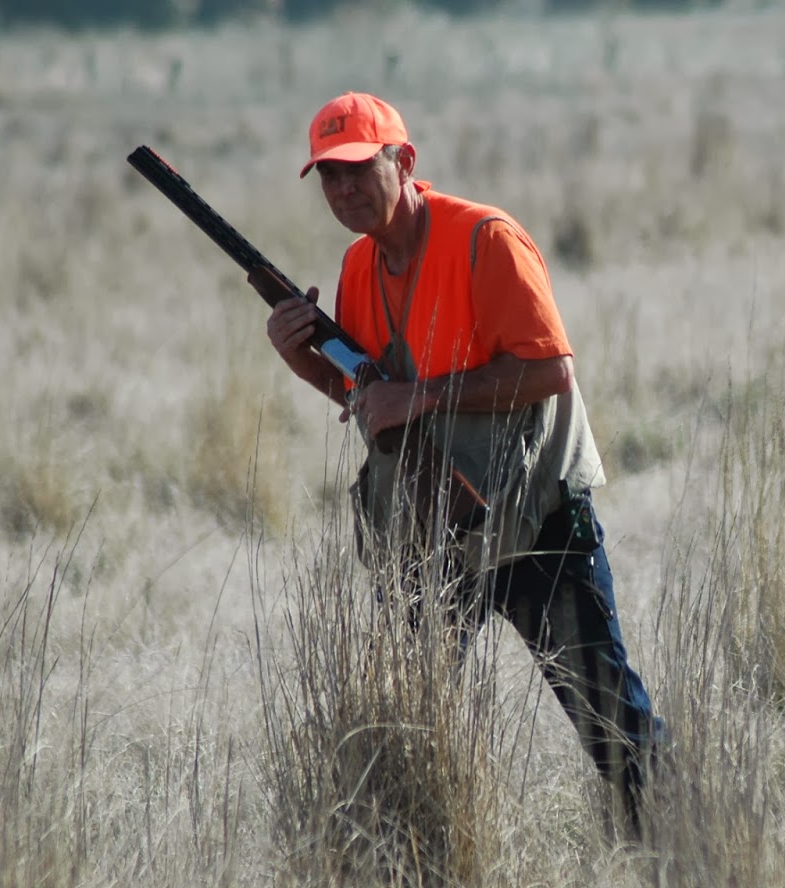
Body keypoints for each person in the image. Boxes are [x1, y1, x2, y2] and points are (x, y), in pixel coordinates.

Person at [265, 91, 660, 835]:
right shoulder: (358, 266)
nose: (344, 191)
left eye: (358, 169)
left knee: (612, 726)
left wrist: (417, 398)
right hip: (435, 533)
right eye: (328, 177)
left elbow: (550, 373)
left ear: (404, 161)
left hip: (537, 521)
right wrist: (307, 364)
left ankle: (687, 846)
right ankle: (423, 868)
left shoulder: (486, 239)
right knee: (404, 729)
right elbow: (372, 405)